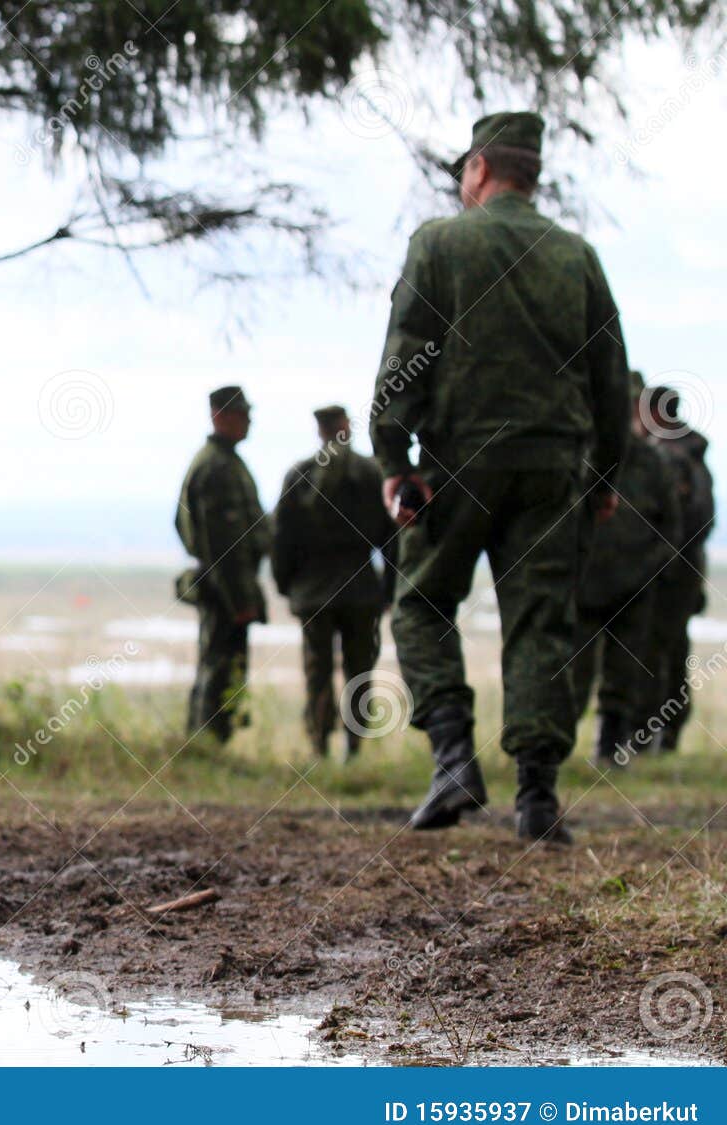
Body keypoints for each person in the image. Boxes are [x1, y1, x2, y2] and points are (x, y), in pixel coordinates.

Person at [370, 111, 629, 845]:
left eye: (463, 171)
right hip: (555, 468)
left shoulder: (440, 244)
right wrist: (605, 475)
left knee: (421, 604)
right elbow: (611, 380)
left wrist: (395, 464)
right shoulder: (576, 256)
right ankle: (538, 798)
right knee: (541, 620)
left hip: (459, 463)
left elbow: (404, 360)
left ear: (480, 169)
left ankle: (454, 758)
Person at [272, 406, 397, 758]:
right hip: (361, 590)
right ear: (345, 428)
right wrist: (390, 587)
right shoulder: (373, 473)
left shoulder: (300, 475)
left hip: (315, 592)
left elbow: (282, 539)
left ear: (320, 432)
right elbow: (392, 539)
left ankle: (319, 745)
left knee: (317, 669)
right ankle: (353, 748)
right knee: (359, 669)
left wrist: (288, 585)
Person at [571, 379, 680, 763]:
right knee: (573, 674)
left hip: (634, 588)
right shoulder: (578, 454)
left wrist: (650, 569)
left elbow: (672, 528)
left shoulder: (653, 464)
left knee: (624, 673)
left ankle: (611, 747)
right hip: (584, 586)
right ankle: (551, 752)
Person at [175, 385, 269, 743]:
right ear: (219, 416)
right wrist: (239, 599)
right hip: (224, 587)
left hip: (224, 584)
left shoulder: (222, 461)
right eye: (241, 415)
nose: (248, 422)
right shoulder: (216, 466)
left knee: (220, 664)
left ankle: (208, 743)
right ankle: (208, 743)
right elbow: (224, 545)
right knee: (219, 667)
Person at [638, 375, 715, 751]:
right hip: (683, 572)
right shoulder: (695, 457)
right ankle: (664, 735)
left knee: (654, 653)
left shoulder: (667, 458)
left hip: (665, 573)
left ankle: (653, 735)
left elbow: (685, 521)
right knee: (671, 651)